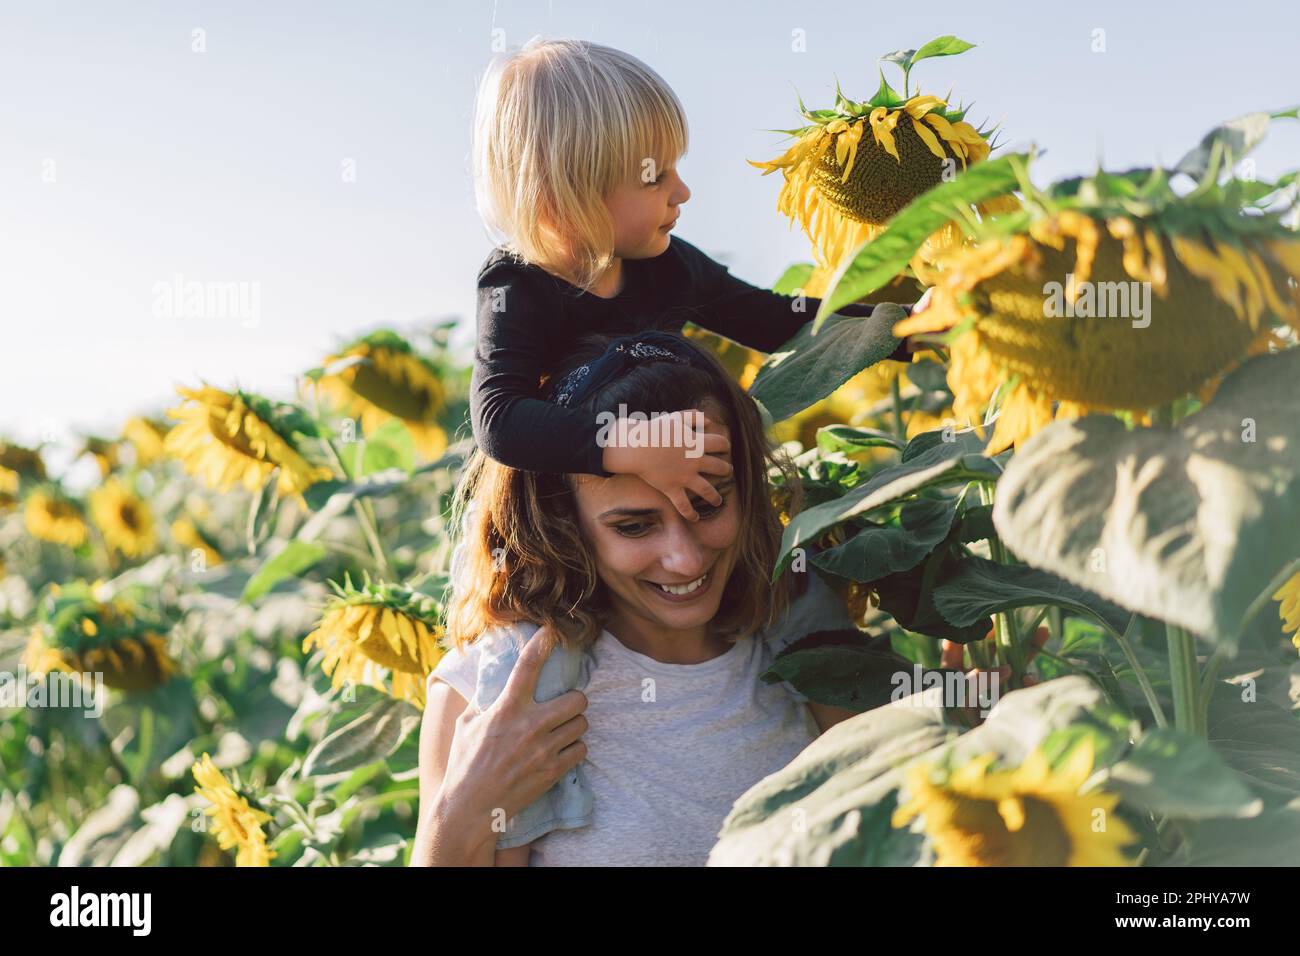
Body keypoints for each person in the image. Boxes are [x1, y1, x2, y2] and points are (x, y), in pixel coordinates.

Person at [469, 36, 923, 522]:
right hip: (561, 522)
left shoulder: (668, 264)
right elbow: (501, 420)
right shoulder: (517, 285)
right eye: (653, 177)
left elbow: (772, 319)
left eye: (675, 169)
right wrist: (631, 447)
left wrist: (904, 325)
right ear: (562, 205)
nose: (681, 191)